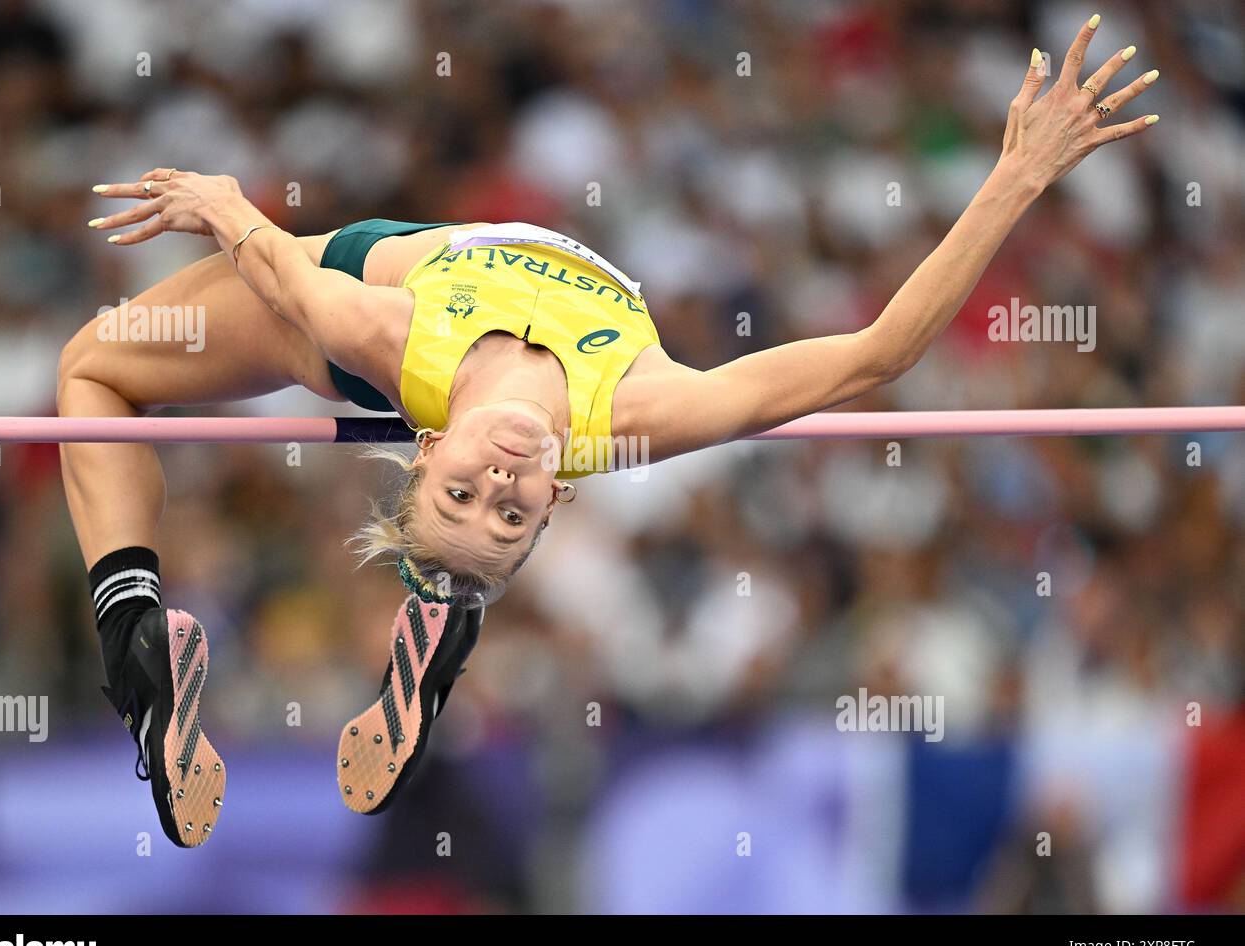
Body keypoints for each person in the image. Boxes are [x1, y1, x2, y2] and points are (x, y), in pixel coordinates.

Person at [57, 17, 1157, 845]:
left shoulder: (384, 336)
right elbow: (876, 352)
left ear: (424, 446)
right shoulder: (637, 412)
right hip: (437, 295)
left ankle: (131, 631)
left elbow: (284, 268)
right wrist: (1017, 173)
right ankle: (444, 603)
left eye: (461, 495)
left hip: (353, 286)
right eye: (510, 513)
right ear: (559, 499)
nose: (501, 479)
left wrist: (224, 199)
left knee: (90, 369)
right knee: (109, 373)